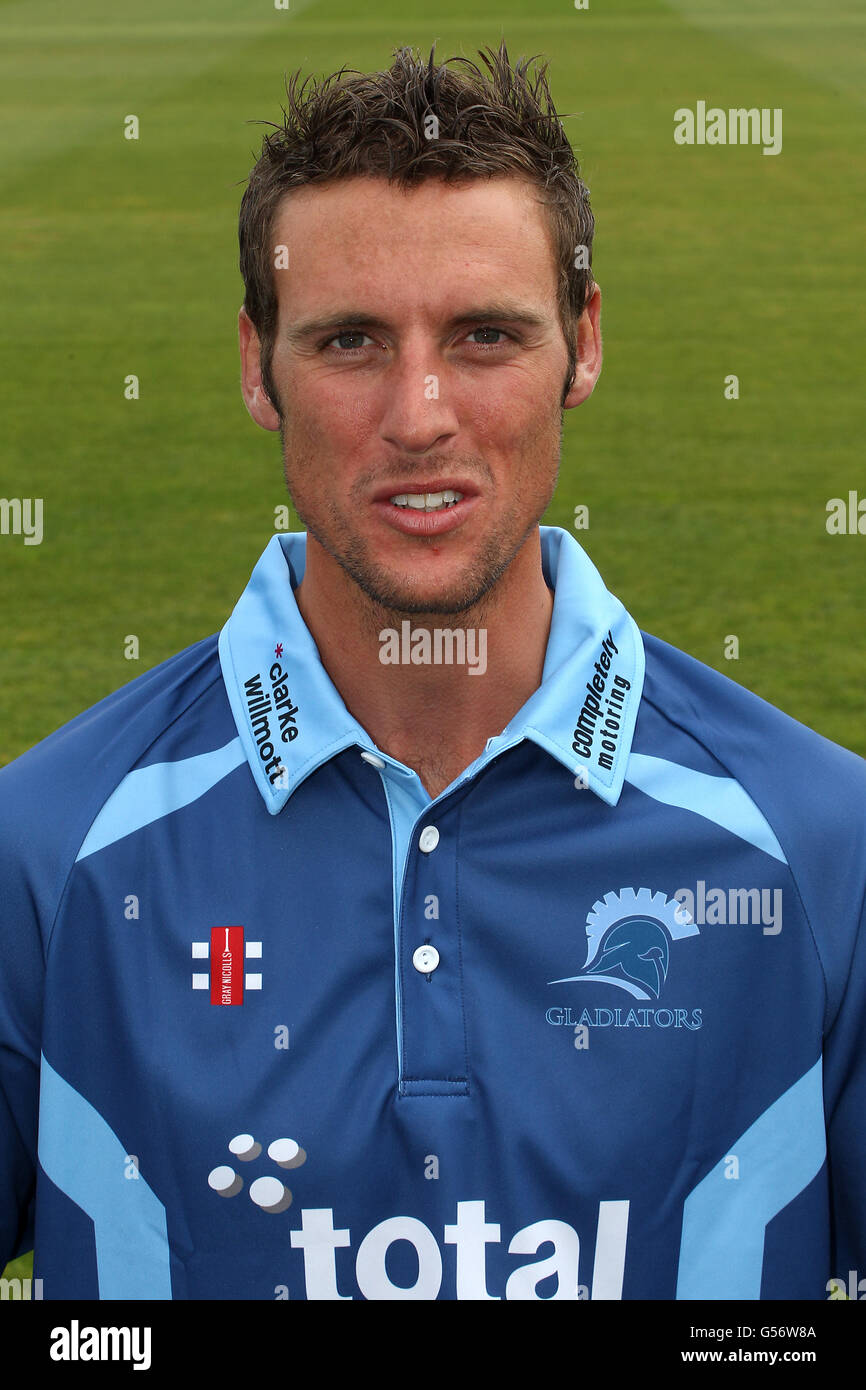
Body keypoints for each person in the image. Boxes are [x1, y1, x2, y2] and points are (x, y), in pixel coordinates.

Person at [1, 41, 864, 1303]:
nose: (418, 414)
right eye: (348, 340)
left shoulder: (821, 848)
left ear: (582, 344)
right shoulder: (46, 853)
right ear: (256, 367)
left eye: (483, 336)